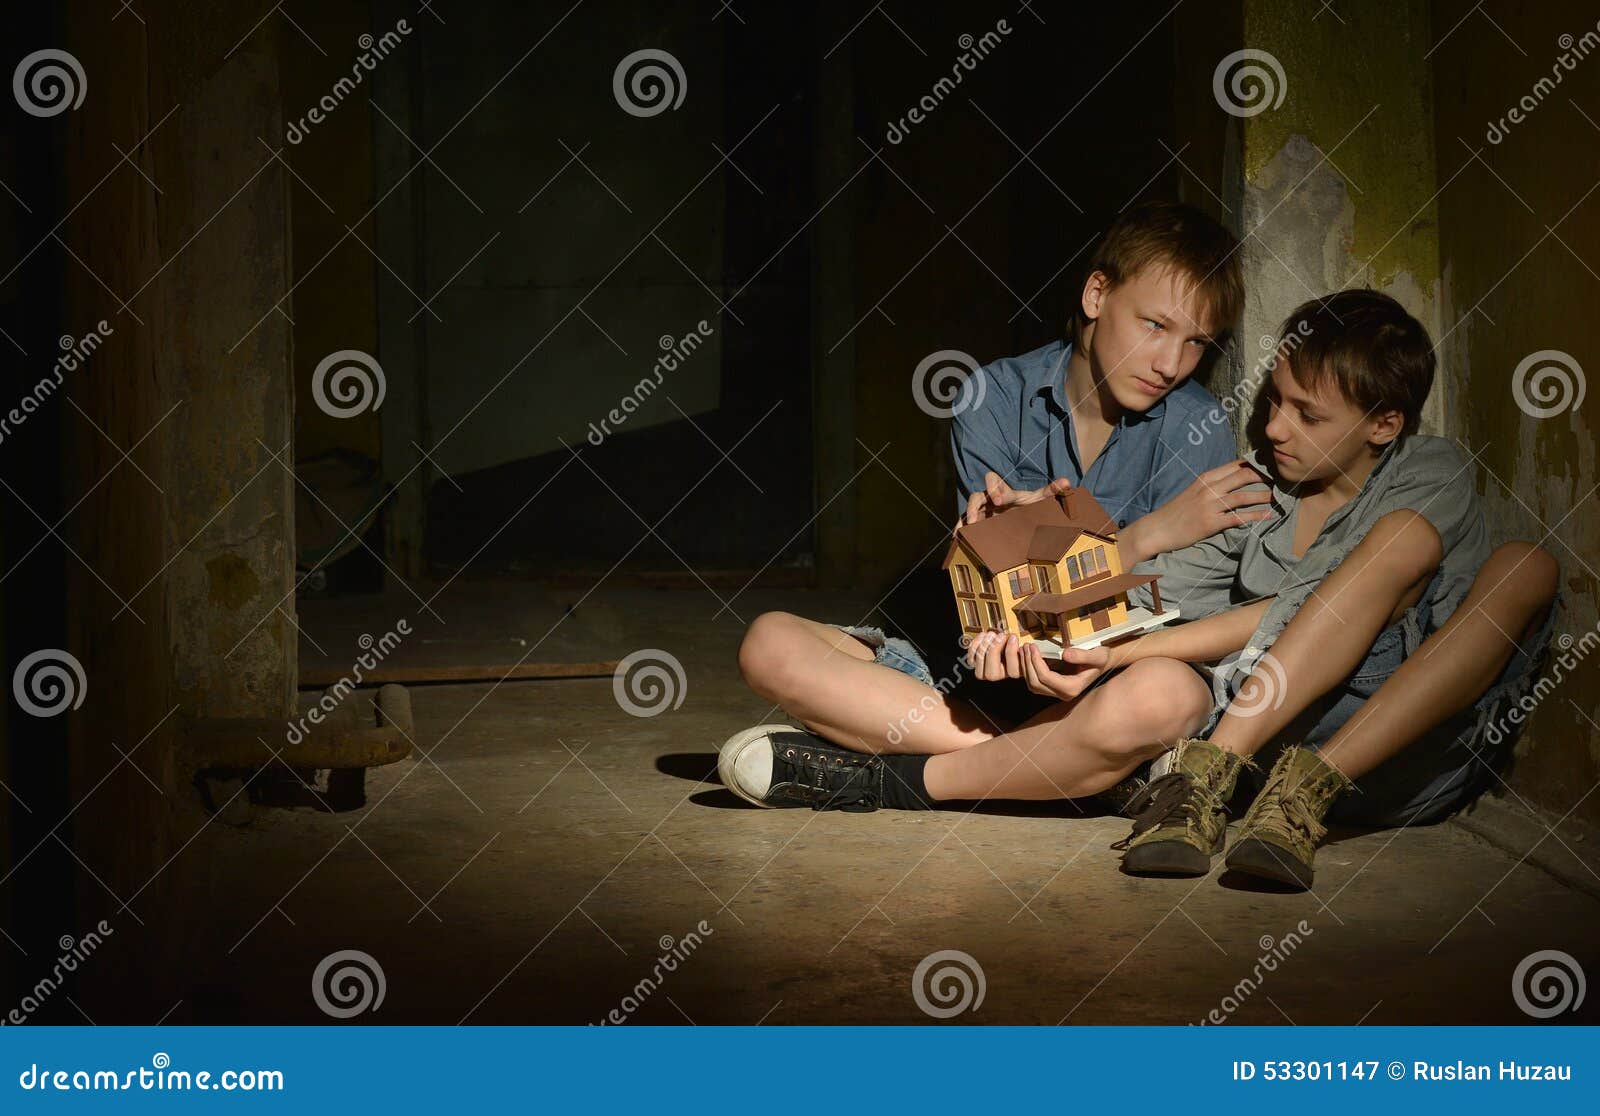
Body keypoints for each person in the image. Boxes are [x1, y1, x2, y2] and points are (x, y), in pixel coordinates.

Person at [722, 201, 1262, 809]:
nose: (1171, 364)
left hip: (1105, 678)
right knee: (769, 644)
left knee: (1171, 698)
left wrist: (1050, 541)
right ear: (1095, 294)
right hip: (978, 676)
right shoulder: (994, 397)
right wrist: (1147, 533)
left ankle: (906, 774)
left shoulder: (1199, 426)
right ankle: (1052, 767)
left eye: (1196, 343)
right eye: (1154, 325)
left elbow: (1174, 614)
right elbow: (1004, 595)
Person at [1021, 289, 1558, 889]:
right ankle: (1206, 781)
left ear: (1384, 424)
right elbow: (1158, 591)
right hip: (1261, 756)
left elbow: (1304, 605)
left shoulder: (1431, 472)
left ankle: (1287, 786)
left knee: (1525, 563)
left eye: (1308, 415)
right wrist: (1047, 613)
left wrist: (1123, 653)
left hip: (1396, 755)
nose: (1274, 426)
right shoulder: (1257, 485)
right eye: (1276, 400)